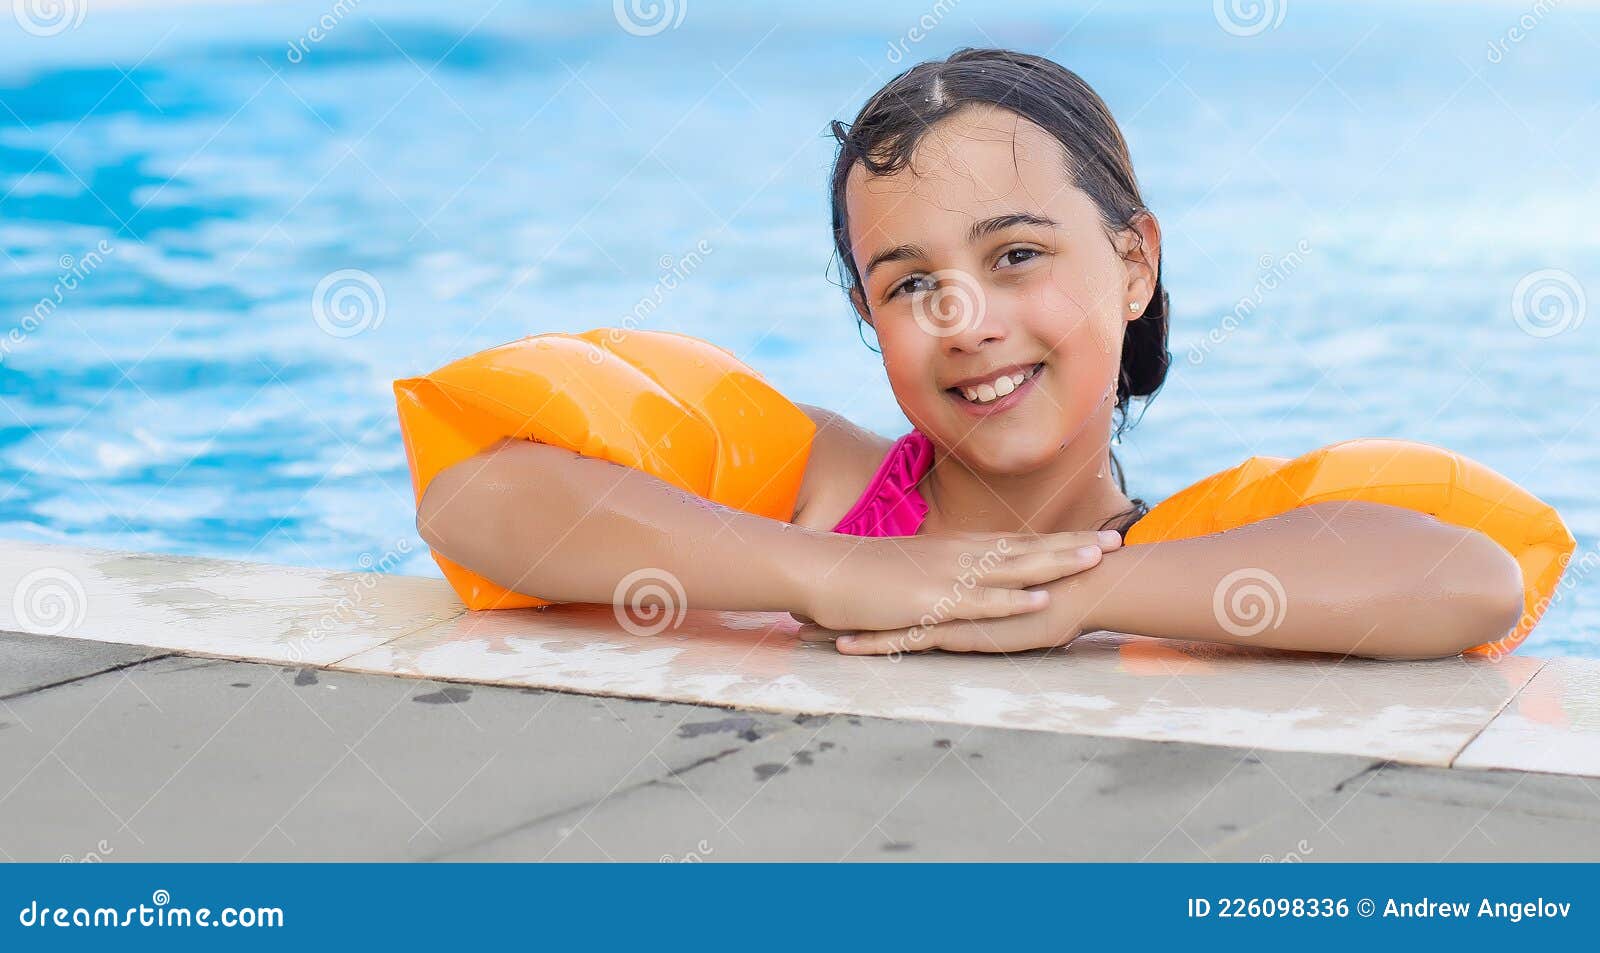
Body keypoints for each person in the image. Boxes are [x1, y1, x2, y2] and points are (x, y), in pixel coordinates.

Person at [417, 49, 1522, 660]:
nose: (965, 318)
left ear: (1133, 263)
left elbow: (1471, 581)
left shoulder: (1190, 563)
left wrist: (1082, 596)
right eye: (908, 284)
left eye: (1017, 255)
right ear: (869, 315)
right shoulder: (826, 492)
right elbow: (475, 496)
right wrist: (839, 570)